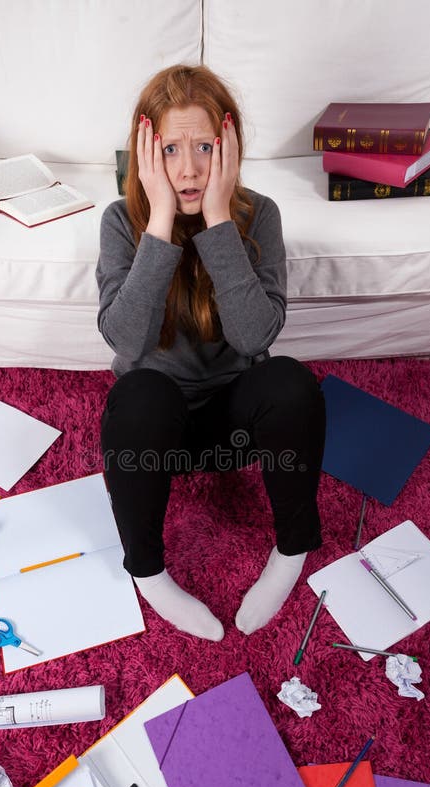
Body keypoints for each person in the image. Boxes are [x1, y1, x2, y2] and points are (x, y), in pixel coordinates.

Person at [96, 64, 325, 641]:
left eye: (204, 147)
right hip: (158, 437)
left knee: (292, 383)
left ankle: (291, 551)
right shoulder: (122, 221)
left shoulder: (259, 215)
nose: (191, 168)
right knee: (135, 393)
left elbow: (255, 338)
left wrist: (218, 220)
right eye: (171, 149)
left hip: (235, 427)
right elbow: (126, 340)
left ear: (230, 148)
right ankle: (148, 573)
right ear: (146, 154)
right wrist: (162, 222)